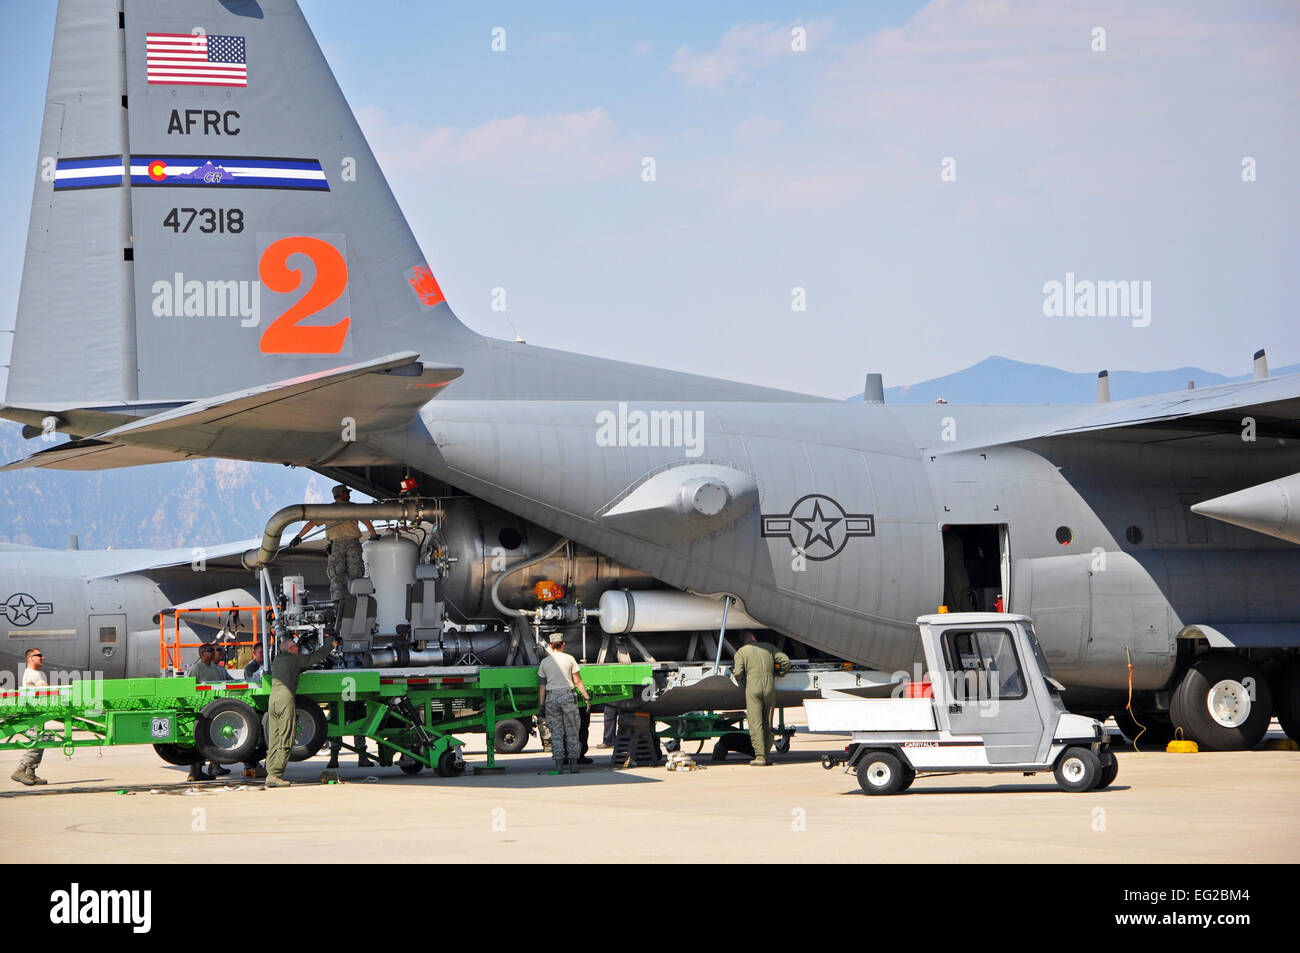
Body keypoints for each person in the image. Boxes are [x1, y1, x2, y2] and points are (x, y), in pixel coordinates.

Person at [265, 634, 337, 788]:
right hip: (285, 700)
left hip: (274, 700)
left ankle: (271, 771)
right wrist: (331, 645)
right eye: (296, 647)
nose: (298, 649)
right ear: (291, 649)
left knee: (275, 738)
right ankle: (275, 775)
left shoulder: (278, 660)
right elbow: (315, 657)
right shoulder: (293, 659)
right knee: (286, 737)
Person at [291, 484, 377, 603]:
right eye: (347, 493)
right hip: (353, 546)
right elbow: (367, 523)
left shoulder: (328, 510)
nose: (349, 495)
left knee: (336, 577)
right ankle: (359, 603)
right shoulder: (355, 508)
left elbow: (311, 524)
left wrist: (298, 537)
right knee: (356, 576)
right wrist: (374, 536)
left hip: (336, 546)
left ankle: (339, 605)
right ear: (342, 495)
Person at [732, 631, 791, 766]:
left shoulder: (742, 651)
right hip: (769, 686)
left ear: (743, 641)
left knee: (756, 723)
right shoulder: (768, 647)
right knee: (767, 723)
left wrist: (742, 680)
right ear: (754, 637)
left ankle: (760, 757)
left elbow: (738, 672)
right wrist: (779, 673)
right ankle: (768, 755)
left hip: (753, 688)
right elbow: (785, 661)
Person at [537, 634, 589, 774]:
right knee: (572, 731)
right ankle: (573, 766)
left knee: (556, 733)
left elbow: (542, 687)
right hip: (567, 696)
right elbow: (577, 681)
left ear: (550, 644)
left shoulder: (545, 662)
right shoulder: (570, 659)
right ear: (563, 644)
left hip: (551, 698)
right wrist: (586, 697)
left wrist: (541, 706)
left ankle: (559, 766)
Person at [187, 643, 231, 779]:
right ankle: (195, 772)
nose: (213, 653)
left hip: (215, 708)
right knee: (199, 742)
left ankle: (213, 767)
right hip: (202, 710)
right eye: (209, 650)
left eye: (214, 650)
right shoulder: (196, 668)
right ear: (201, 654)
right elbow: (191, 688)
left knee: (212, 741)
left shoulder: (217, 669)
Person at [11, 648, 48, 786]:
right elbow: (44, 690)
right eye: (39, 655)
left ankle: (30, 773)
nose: (42, 657)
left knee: (40, 740)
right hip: (34, 714)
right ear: (31, 658)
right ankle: (20, 770)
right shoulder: (34, 674)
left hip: (37, 713)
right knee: (38, 741)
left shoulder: (32, 673)